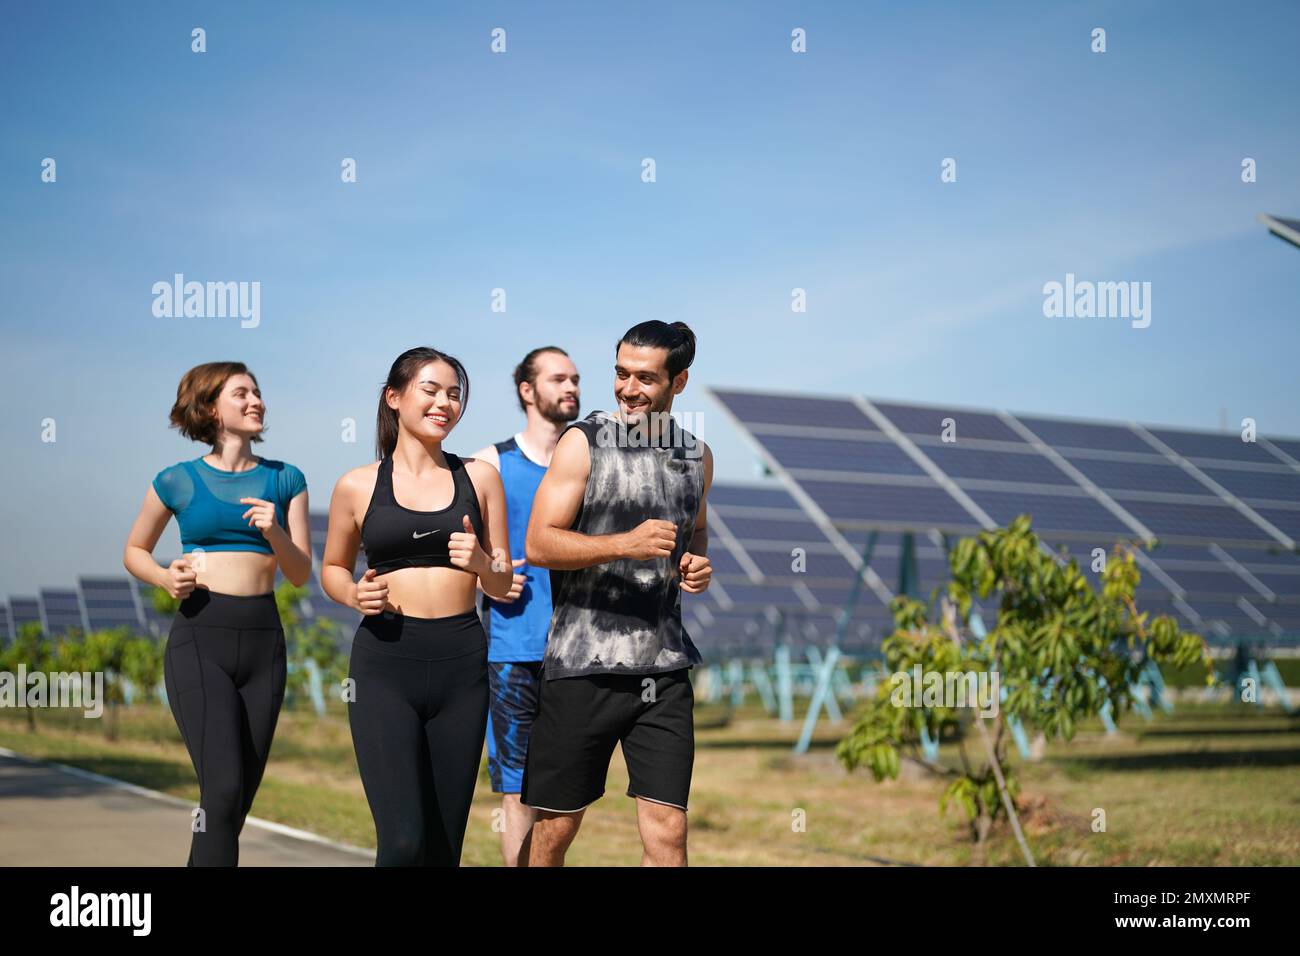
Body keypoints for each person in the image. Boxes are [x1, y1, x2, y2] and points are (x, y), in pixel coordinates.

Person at [519, 321, 713, 867]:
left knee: (668, 831)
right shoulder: (582, 443)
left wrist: (695, 564)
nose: (628, 388)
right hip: (583, 666)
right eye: (621, 373)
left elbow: (695, 529)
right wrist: (624, 543)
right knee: (556, 829)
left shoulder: (698, 456)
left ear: (679, 383)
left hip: (664, 667)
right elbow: (538, 542)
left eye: (645, 378)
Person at [321, 347, 513, 866]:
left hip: (461, 664)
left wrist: (478, 562)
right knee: (402, 841)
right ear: (394, 397)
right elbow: (333, 569)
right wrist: (352, 594)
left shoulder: (481, 478)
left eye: (454, 394)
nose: (444, 403)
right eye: (430, 390)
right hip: (385, 663)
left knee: (442, 846)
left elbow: (501, 583)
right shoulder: (357, 485)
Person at [123, 361, 312, 866]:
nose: (257, 401)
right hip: (199, 639)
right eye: (242, 393)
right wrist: (165, 577)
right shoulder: (176, 480)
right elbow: (135, 551)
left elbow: (299, 573)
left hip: (263, 644)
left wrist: (275, 532)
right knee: (223, 790)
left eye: (258, 392)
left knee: (233, 801)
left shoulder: (286, 478)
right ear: (210, 408)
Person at [468, 346, 580, 866]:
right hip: (513, 650)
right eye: (558, 378)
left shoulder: (588, 462)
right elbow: (454, 543)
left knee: (567, 796)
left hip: (581, 652)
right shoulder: (490, 462)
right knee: (517, 791)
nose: (571, 387)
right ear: (527, 390)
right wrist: (484, 574)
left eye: (576, 379)